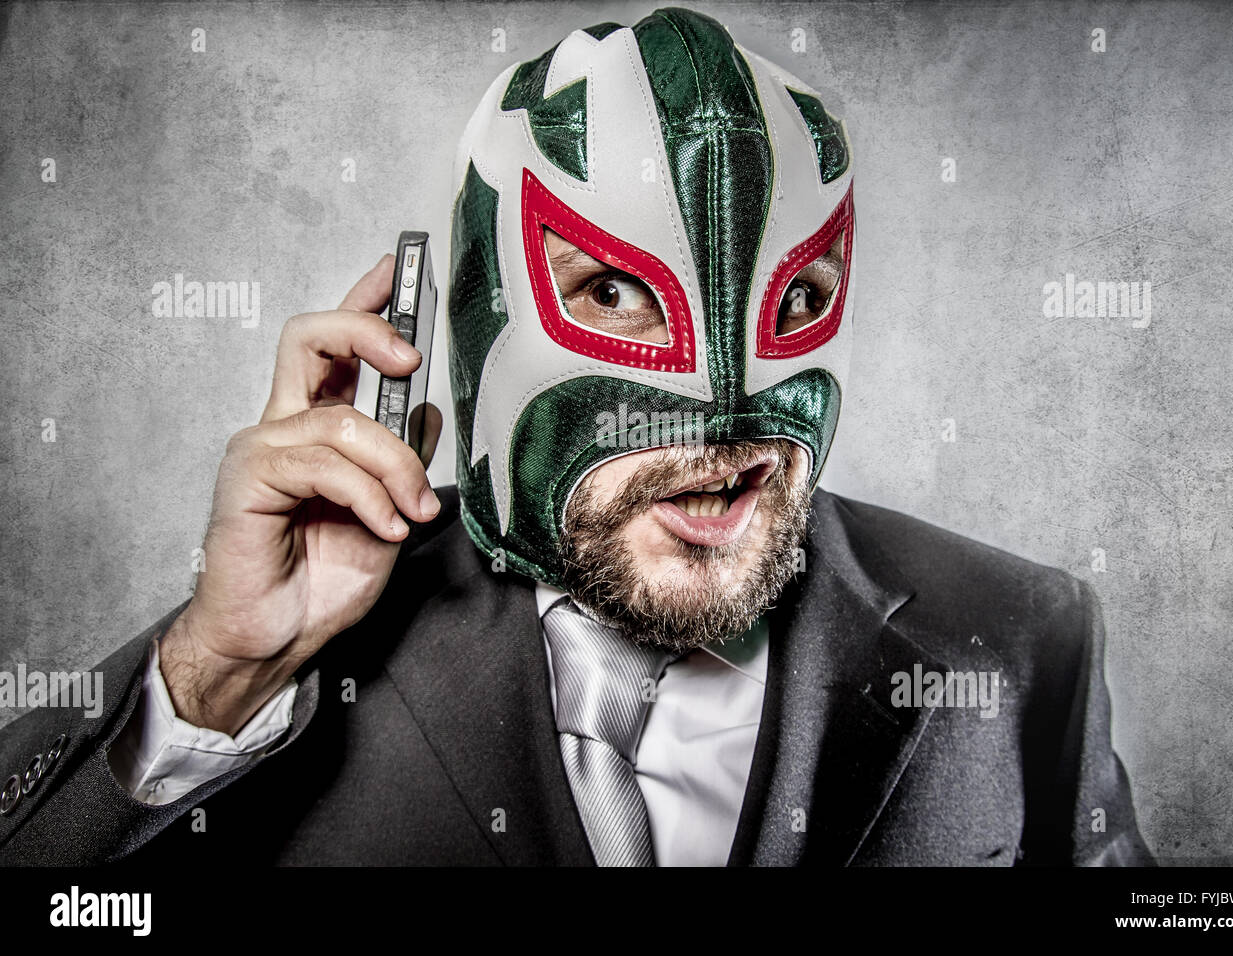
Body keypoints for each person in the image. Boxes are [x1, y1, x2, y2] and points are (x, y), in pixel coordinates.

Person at [0, 6, 1150, 866]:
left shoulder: (1018, 639)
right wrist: (217, 674)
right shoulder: (287, 658)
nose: (726, 423)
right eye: (611, 291)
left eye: (796, 300)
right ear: (469, 306)